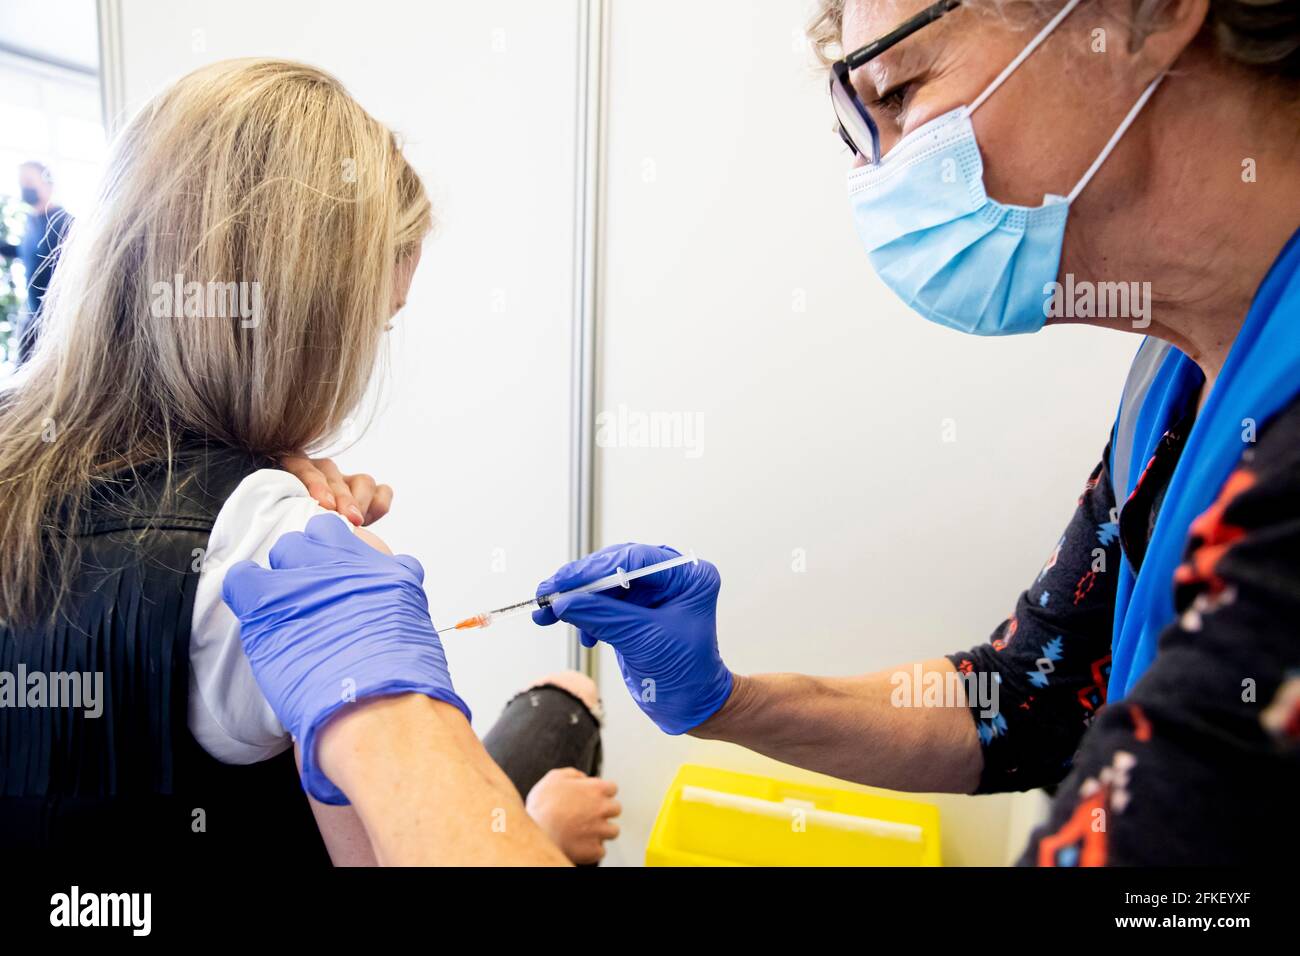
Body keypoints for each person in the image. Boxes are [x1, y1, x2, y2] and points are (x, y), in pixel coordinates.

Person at [241, 0, 1300, 865]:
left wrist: (395, 719)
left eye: (897, 90)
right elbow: (1027, 697)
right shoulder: (1176, 383)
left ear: (1144, 13)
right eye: (857, 129)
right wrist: (724, 699)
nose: (879, 175)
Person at [0, 58, 617, 866]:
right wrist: (538, 836)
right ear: (304, 326)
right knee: (568, 705)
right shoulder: (267, 544)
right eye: (378, 325)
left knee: (557, 697)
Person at [0, 161, 74, 363]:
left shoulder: (66, 223)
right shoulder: (31, 222)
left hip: (57, 321)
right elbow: (26, 253)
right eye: (21, 182)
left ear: (48, 183)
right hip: (32, 314)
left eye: (29, 181)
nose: (24, 187)